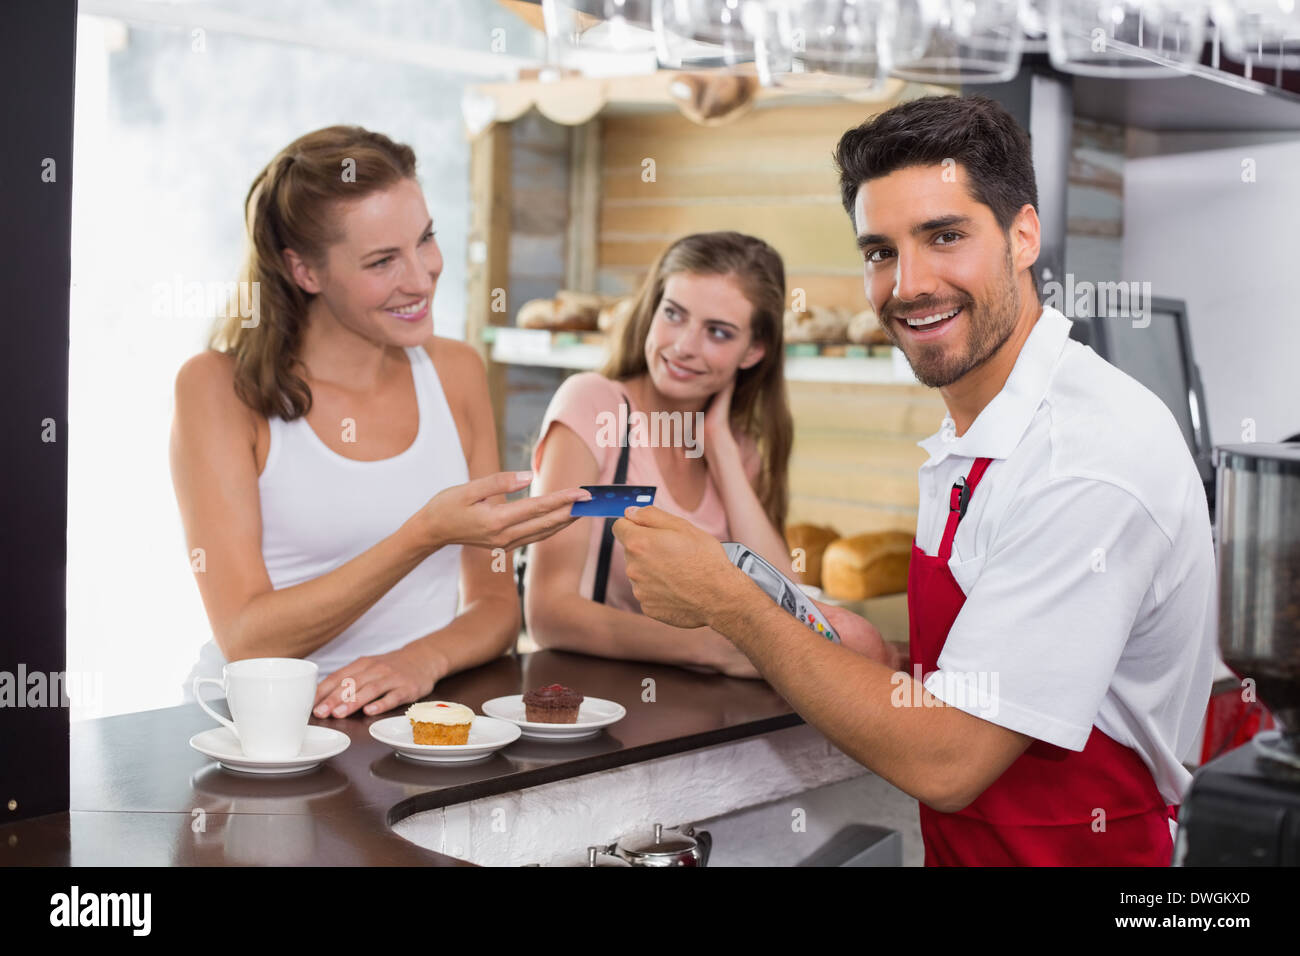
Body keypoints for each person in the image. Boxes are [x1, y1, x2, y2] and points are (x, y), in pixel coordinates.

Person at [612, 95, 1217, 866]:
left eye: (944, 236)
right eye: (879, 252)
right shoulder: (980, 428)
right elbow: (984, 676)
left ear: (1022, 236)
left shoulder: (1084, 458)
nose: (908, 284)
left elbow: (949, 761)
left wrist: (730, 603)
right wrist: (866, 649)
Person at [171, 126, 589, 720]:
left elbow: (496, 604)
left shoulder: (457, 371)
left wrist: (420, 659)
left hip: (410, 716)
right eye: (382, 261)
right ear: (305, 271)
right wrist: (424, 533)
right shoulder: (218, 389)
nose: (420, 278)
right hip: (264, 729)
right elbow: (248, 639)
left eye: (425, 240)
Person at [527, 232, 825, 677]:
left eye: (718, 332)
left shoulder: (739, 450)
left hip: (699, 714)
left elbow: (785, 609)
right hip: (596, 708)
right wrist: (710, 649)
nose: (685, 345)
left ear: (754, 351)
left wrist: (721, 448)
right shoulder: (594, 406)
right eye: (673, 314)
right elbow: (549, 614)